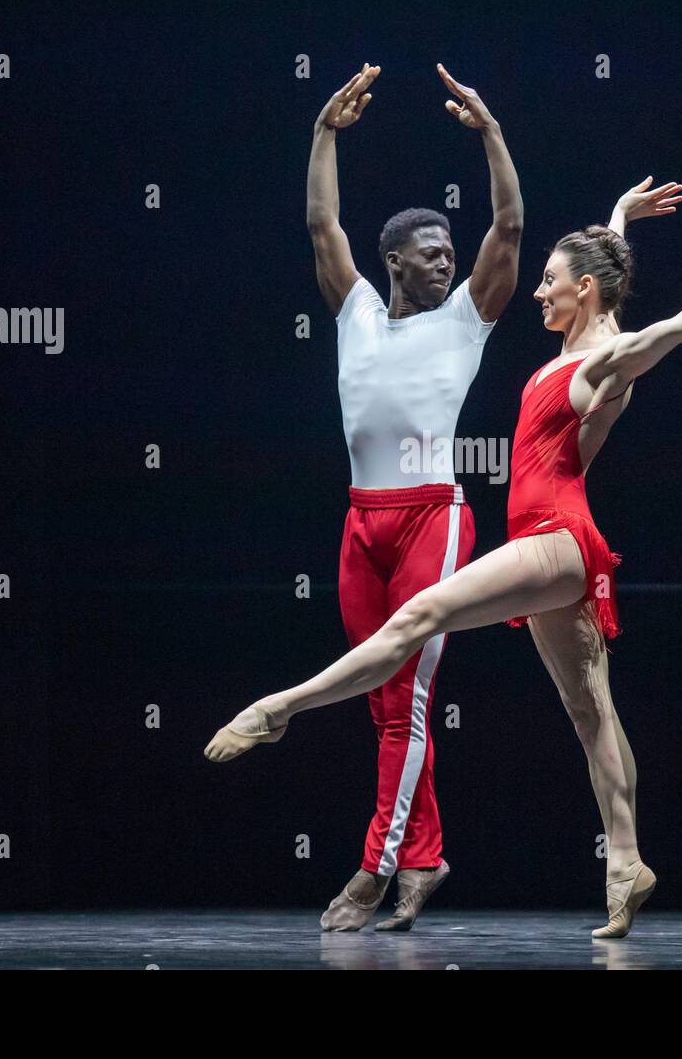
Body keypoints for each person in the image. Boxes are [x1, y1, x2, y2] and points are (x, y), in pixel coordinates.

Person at [208, 178, 682, 937]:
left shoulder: (602, 362)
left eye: (551, 282)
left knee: (418, 614)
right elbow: (611, 278)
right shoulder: (588, 338)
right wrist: (621, 217)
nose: (538, 293)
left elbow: (676, 329)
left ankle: (278, 708)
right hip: (556, 543)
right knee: (591, 712)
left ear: (581, 290)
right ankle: (626, 863)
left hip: (553, 537)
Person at [299, 62, 522, 932]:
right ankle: (424, 855)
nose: (446, 263)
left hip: (435, 514)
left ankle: (374, 867)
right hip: (362, 521)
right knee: (383, 699)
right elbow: (323, 221)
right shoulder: (355, 307)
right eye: (431, 255)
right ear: (394, 260)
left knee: (408, 700)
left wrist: (491, 134)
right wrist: (325, 134)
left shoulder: (466, 317)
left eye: (450, 255)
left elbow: (508, 223)